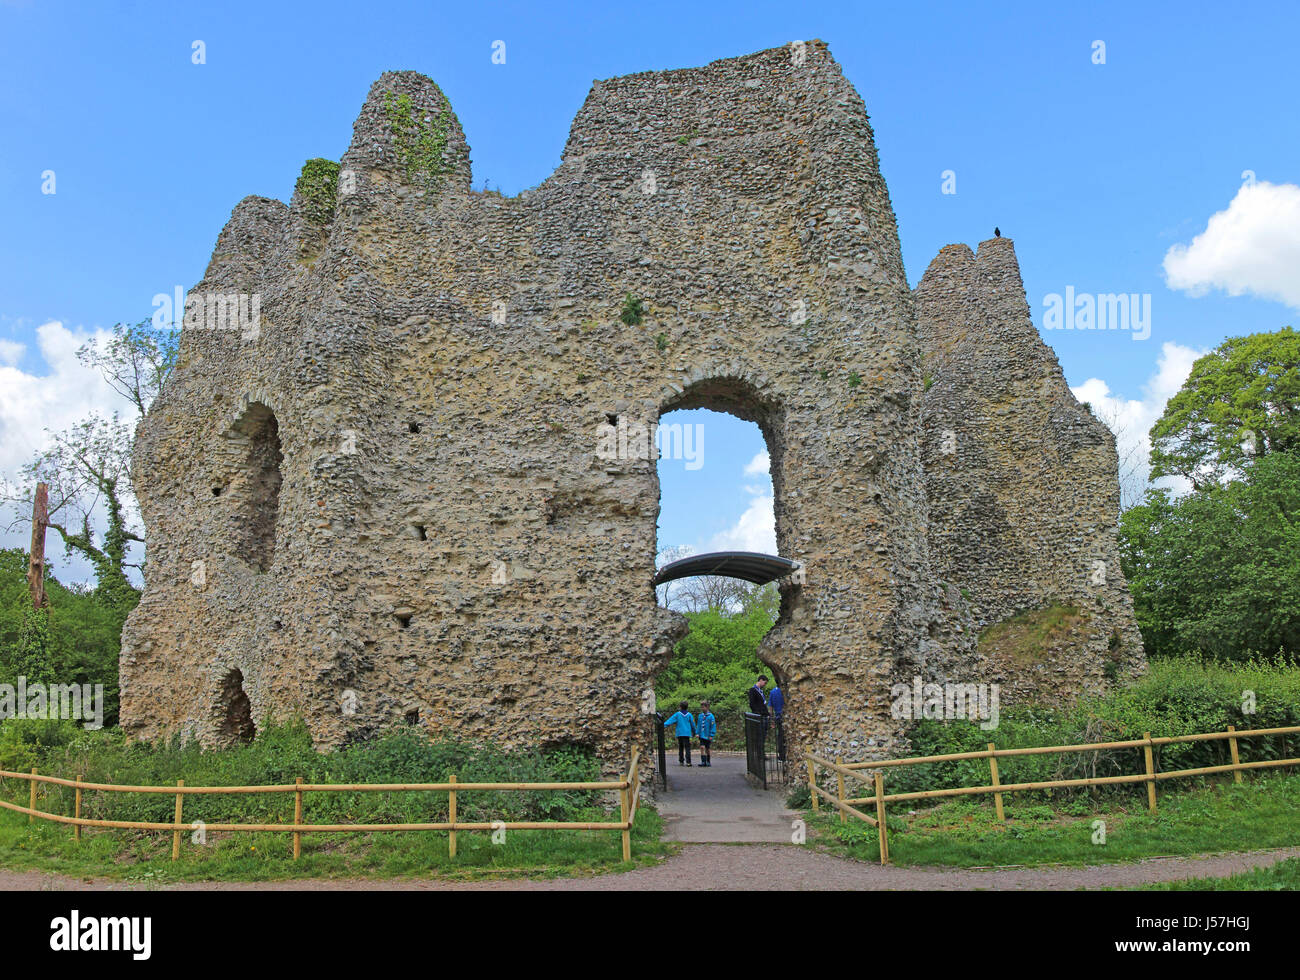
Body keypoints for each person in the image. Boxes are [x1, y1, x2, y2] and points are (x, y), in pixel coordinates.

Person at [663, 700, 697, 766]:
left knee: (681, 747)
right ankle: (688, 762)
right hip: (687, 733)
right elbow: (693, 724)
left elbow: (670, 720)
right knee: (687, 748)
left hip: (680, 733)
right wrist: (695, 732)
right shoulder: (689, 715)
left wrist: (663, 725)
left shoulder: (678, 714)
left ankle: (681, 761)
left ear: (680, 707)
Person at [696, 701, 717, 767]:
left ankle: (708, 761)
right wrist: (697, 733)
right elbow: (699, 725)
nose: (702, 708)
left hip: (707, 735)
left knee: (707, 748)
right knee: (702, 747)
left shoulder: (711, 716)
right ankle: (703, 761)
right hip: (701, 735)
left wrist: (712, 734)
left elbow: (713, 726)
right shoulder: (700, 716)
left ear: (707, 707)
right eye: (701, 707)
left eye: (703, 707)